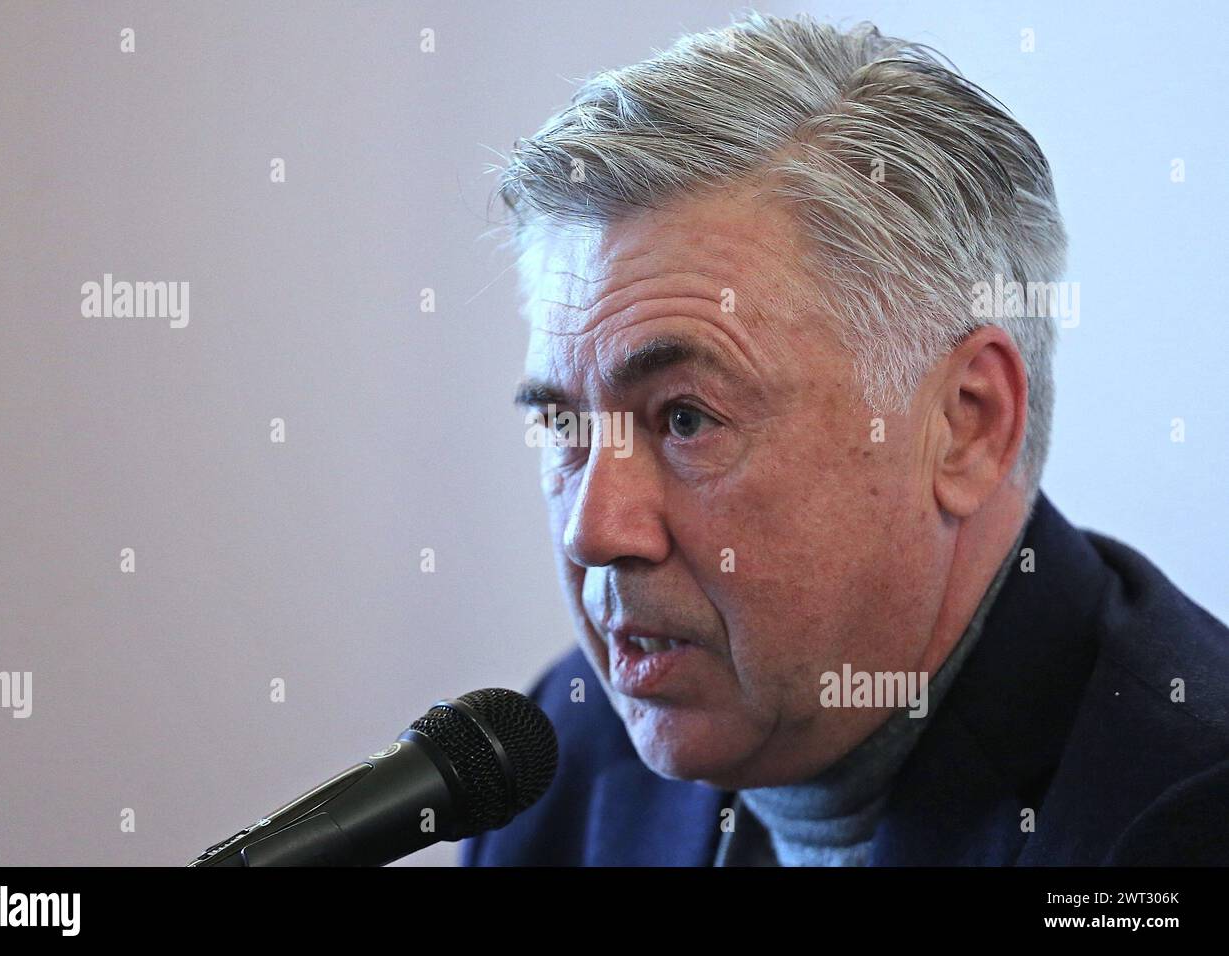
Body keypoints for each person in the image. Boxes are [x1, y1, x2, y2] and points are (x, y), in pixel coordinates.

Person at [463, 13, 1229, 866]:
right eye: (565, 426)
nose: (595, 531)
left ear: (967, 426)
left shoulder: (1179, 827)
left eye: (686, 419)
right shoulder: (562, 774)